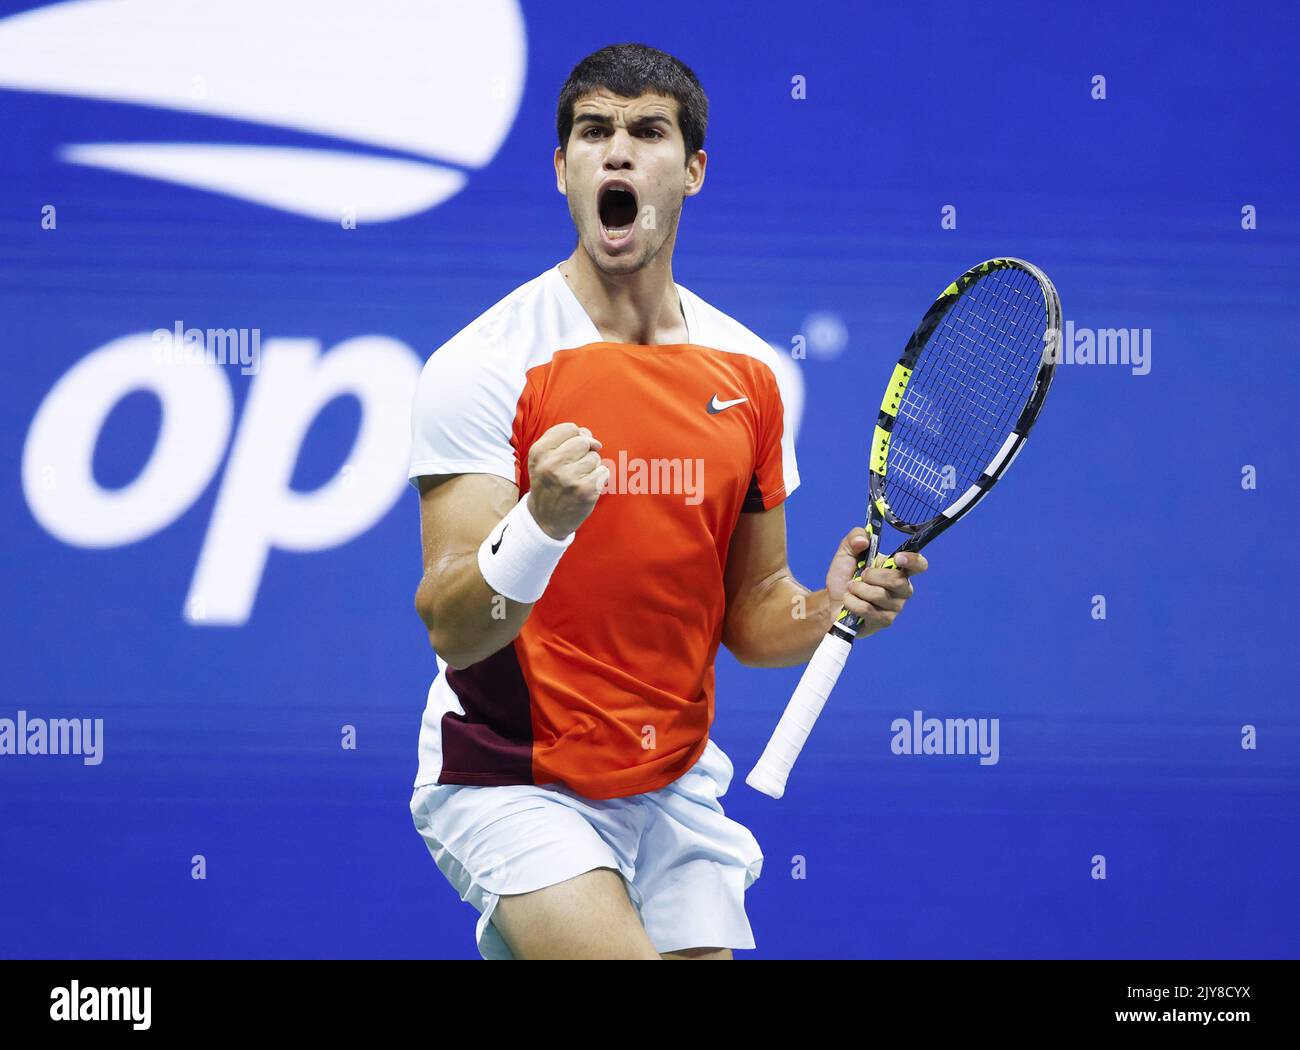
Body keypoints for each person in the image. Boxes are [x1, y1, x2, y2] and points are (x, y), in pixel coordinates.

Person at [407, 42, 927, 960]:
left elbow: (755, 614)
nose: (617, 152)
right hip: (513, 771)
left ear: (691, 172)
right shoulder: (483, 366)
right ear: (562, 168)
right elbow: (455, 625)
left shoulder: (750, 375)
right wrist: (541, 523)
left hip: (673, 779)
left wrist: (828, 607)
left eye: (648, 132)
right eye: (593, 131)